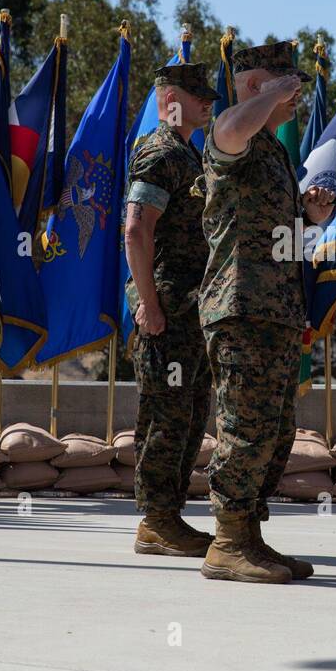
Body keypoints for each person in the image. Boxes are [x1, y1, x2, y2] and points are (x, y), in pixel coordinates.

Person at [198, 40, 334, 584]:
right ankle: (226, 542)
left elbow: (281, 240)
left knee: (274, 431)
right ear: (258, 86)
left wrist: (309, 217)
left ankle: (248, 534)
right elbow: (228, 128)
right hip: (240, 305)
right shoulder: (232, 134)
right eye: (288, 85)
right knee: (244, 428)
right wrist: (268, 91)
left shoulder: (275, 152)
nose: (297, 95)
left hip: (276, 308)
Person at [124, 63, 220, 557]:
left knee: (188, 413)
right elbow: (137, 230)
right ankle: (157, 520)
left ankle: (167, 517)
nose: (209, 102)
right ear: (171, 98)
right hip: (168, 309)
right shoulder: (161, 153)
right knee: (166, 413)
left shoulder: (189, 154)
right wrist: (149, 303)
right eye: (199, 94)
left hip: (190, 309)